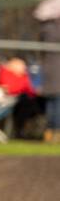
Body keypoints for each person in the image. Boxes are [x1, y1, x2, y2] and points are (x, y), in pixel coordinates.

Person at [41, 13, 60, 144]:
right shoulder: (55, 30)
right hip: (55, 72)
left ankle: (49, 132)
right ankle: (56, 133)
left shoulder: (44, 29)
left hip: (48, 72)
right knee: (56, 104)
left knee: (51, 104)